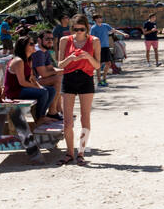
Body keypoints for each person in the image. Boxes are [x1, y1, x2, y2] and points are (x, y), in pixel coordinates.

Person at [57, 14, 100, 165]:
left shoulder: (94, 41)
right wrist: (70, 59)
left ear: (86, 28)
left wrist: (88, 56)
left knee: (85, 117)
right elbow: (60, 65)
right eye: (75, 29)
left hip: (86, 79)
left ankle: (81, 152)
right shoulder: (65, 40)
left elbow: (97, 65)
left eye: (82, 29)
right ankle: (69, 152)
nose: (79, 32)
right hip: (69, 79)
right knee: (67, 122)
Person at [3, 36, 52, 127]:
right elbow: (22, 82)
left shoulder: (28, 60)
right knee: (43, 92)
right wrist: (39, 88)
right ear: (23, 46)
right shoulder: (18, 61)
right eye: (31, 44)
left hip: (22, 89)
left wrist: (39, 86)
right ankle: (39, 118)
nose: (34, 45)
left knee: (51, 90)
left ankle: (42, 115)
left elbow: (32, 78)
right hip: (14, 92)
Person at [31, 29, 64, 119]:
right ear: (39, 40)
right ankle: (52, 112)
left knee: (58, 77)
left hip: (35, 81)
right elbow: (44, 74)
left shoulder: (45, 51)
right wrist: (60, 71)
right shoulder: (38, 52)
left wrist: (63, 70)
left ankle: (59, 110)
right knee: (57, 79)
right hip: (28, 82)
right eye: (47, 39)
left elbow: (50, 69)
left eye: (52, 39)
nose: (50, 41)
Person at [89, 16, 115, 87]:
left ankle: (104, 78)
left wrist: (123, 34)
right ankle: (99, 81)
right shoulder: (93, 28)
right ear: (95, 20)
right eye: (98, 18)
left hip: (106, 47)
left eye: (100, 18)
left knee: (108, 63)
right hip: (98, 48)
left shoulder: (105, 25)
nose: (100, 19)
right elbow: (91, 38)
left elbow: (113, 30)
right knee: (99, 65)